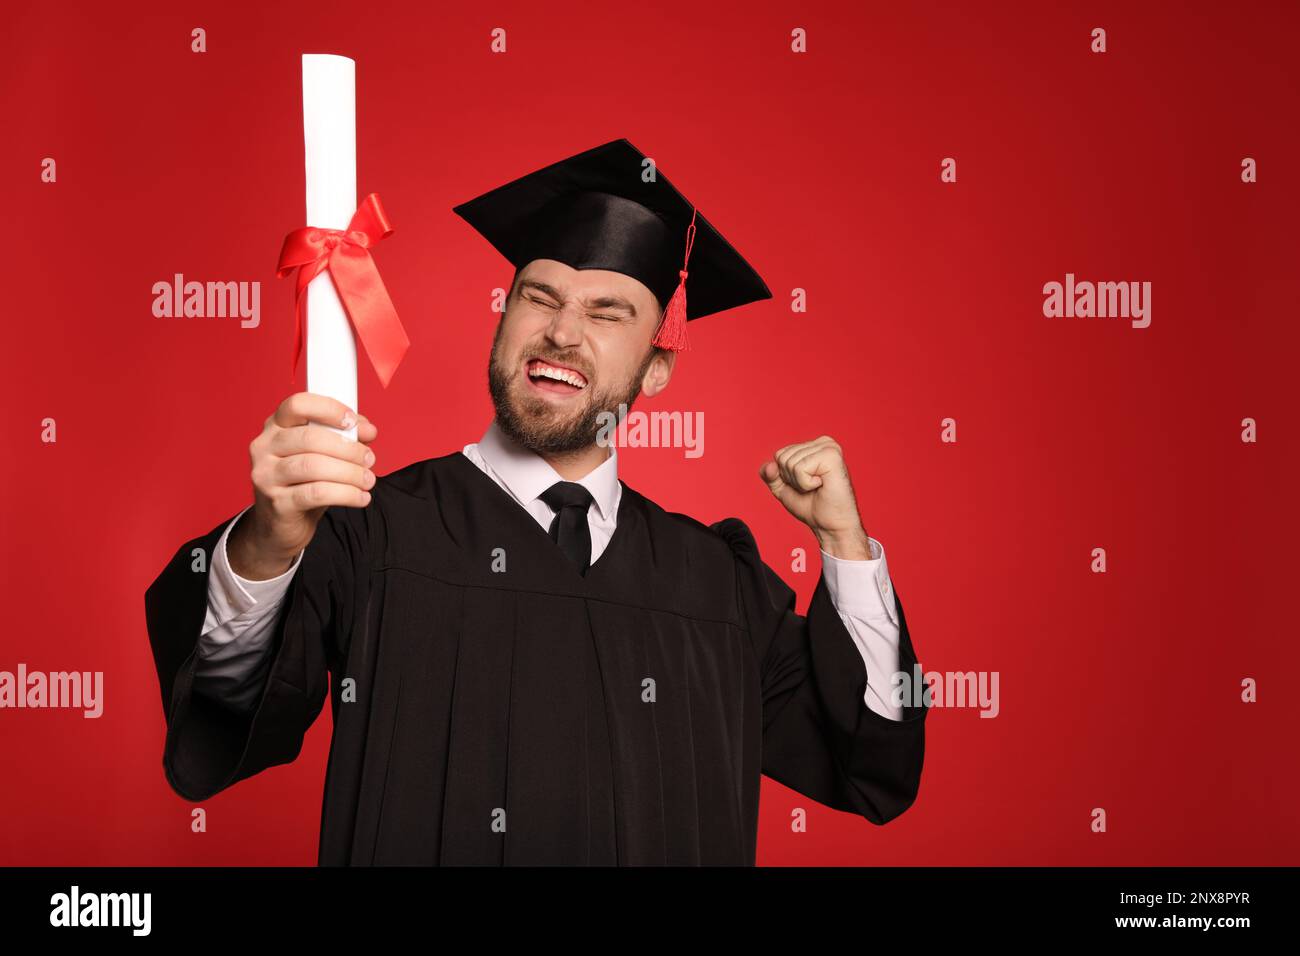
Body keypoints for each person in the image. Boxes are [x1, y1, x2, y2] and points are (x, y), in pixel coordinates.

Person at [144, 138, 929, 865]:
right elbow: (223, 727)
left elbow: (869, 761)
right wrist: (267, 546)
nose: (560, 332)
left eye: (606, 312)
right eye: (537, 297)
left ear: (658, 368)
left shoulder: (715, 585)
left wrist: (846, 549)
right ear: (504, 316)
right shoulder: (372, 530)